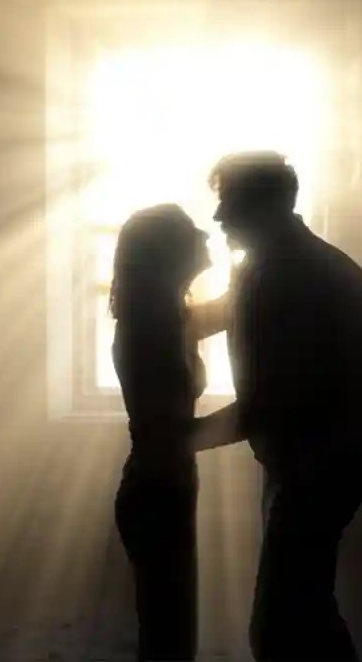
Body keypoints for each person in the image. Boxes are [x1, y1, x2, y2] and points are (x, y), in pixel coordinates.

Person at [194, 151, 362, 662]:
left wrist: (176, 440)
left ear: (263, 206)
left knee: (281, 625)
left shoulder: (294, 278)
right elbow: (219, 317)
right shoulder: (273, 268)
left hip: (315, 469)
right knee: (306, 610)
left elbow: (269, 403)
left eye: (228, 204)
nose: (218, 218)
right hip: (309, 465)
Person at [110, 203, 229, 662]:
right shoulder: (153, 329)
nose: (205, 232)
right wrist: (255, 418)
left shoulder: (165, 319)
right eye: (189, 230)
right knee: (168, 638)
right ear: (170, 252)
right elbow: (167, 436)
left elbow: (228, 310)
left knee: (169, 633)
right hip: (156, 492)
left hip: (162, 488)